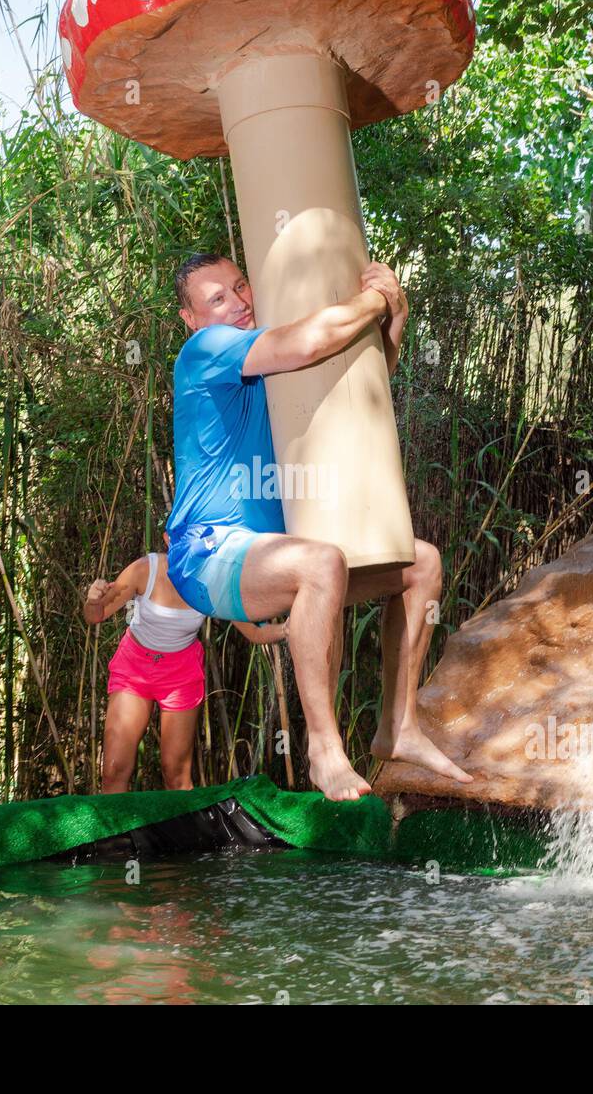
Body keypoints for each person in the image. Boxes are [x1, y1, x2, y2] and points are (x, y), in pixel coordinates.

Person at [165, 253, 473, 801]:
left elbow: (343, 391)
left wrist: (393, 325)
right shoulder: (205, 351)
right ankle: (323, 751)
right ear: (190, 318)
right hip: (206, 553)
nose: (238, 304)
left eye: (241, 286)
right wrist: (376, 300)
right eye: (217, 299)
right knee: (321, 561)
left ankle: (398, 727)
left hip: (269, 555)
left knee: (419, 563)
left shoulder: (260, 361)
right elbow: (310, 343)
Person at [85, 539, 284, 793]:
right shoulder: (145, 569)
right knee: (114, 769)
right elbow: (96, 616)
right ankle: (116, 834)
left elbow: (254, 633)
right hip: (134, 667)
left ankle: (183, 833)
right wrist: (93, 600)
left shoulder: (213, 582)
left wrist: (288, 628)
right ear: (169, 537)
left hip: (180, 675)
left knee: (175, 774)